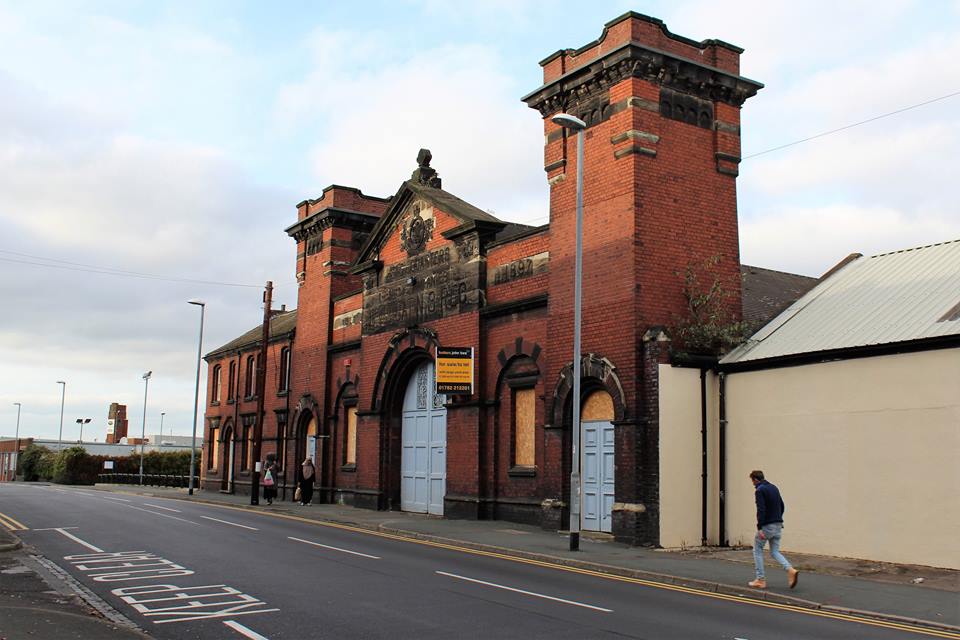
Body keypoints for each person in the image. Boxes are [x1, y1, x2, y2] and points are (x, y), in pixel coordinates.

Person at [749, 469, 799, 589]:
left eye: (752, 481)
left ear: (755, 479)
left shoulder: (760, 490)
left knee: (757, 550)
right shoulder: (774, 487)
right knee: (775, 551)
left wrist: (760, 527)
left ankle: (760, 580)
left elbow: (761, 510)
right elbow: (782, 505)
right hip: (778, 524)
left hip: (767, 526)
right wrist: (778, 519)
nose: (753, 484)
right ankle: (790, 570)